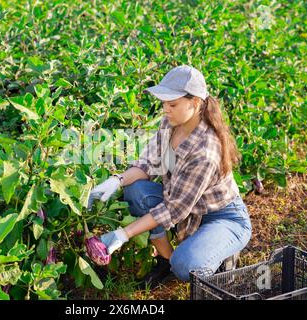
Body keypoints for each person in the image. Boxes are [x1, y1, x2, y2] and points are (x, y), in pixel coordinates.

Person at [87, 65, 252, 289]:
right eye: (164, 103)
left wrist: (123, 234)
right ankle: (166, 261)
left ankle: (222, 259)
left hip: (222, 217)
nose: (166, 109)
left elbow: (174, 209)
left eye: (172, 104)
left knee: (186, 266)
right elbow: (148, 163)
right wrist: (117, 180)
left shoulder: (205, 151)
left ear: (195, 103)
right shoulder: (171, 122)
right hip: (186, 207)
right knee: (135, 191)